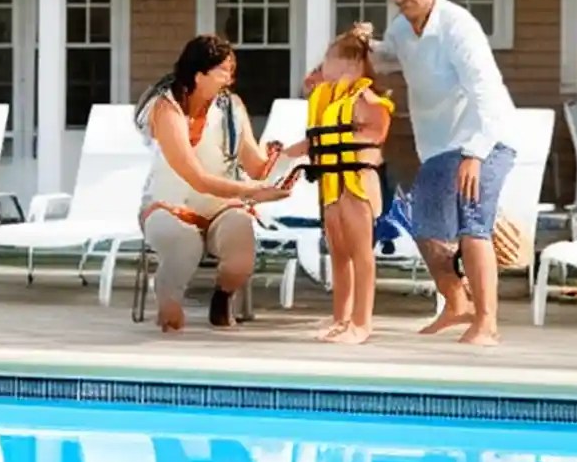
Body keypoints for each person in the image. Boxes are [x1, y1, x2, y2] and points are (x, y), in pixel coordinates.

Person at [370, 0, 518, 347]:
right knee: (422, 224)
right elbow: (387, 59)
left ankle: (486, 323)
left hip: (487, 137)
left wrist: (475, 153)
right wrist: (363, 46)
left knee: (473, 223)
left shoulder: (459, 27)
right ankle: (456, 303)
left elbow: (486, 93)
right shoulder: (401, 28)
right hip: (438, 148)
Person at [134, 34, 292, 333]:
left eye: (232, 70)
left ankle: (223, 296)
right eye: (223, 70)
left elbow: (256, 168)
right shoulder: (166, 108)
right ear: (199, 73)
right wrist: (256, 193)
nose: (230, 79)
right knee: (185, 245)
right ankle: (167, 301)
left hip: (220, 206)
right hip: (168, 205)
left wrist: (284, 155)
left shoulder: (231, 108)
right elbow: (198, 178)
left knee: (240, 253)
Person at [296, 22, 396, 344]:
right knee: (338, 253)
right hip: (330, 183)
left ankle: (362, 322)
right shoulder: (326, 99)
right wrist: (282, 154)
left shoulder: (364, 98)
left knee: (360, 254)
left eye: (329, 60)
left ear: (352, 65)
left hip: (357, 182)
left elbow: (377, 132)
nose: (322, 66)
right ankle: (341, 318)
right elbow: (316, 140)